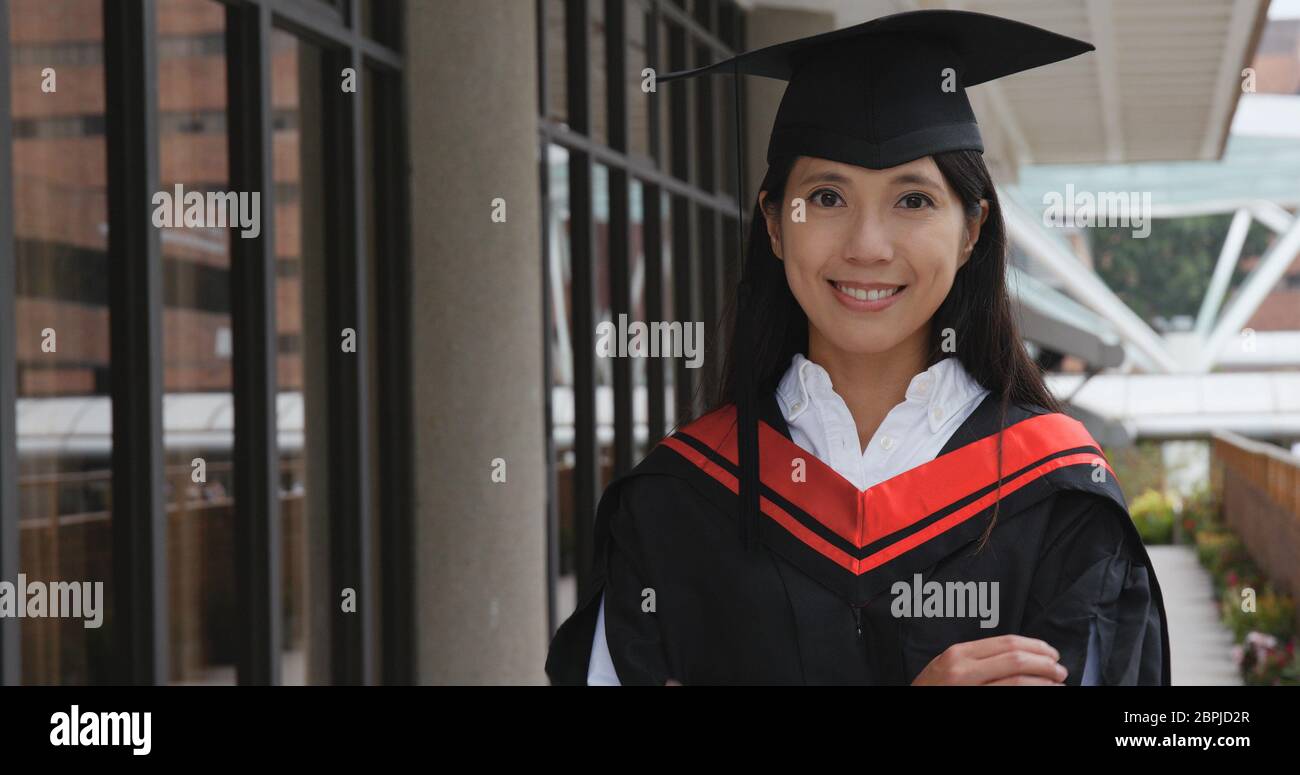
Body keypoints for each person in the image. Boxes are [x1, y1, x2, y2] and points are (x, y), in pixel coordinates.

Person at [545, 8, 1170, 686]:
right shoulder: (674, 504)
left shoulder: (1059, 501)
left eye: (913, 201)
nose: (867, 246)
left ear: (971, 230)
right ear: (775, 224)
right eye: (826, 196)